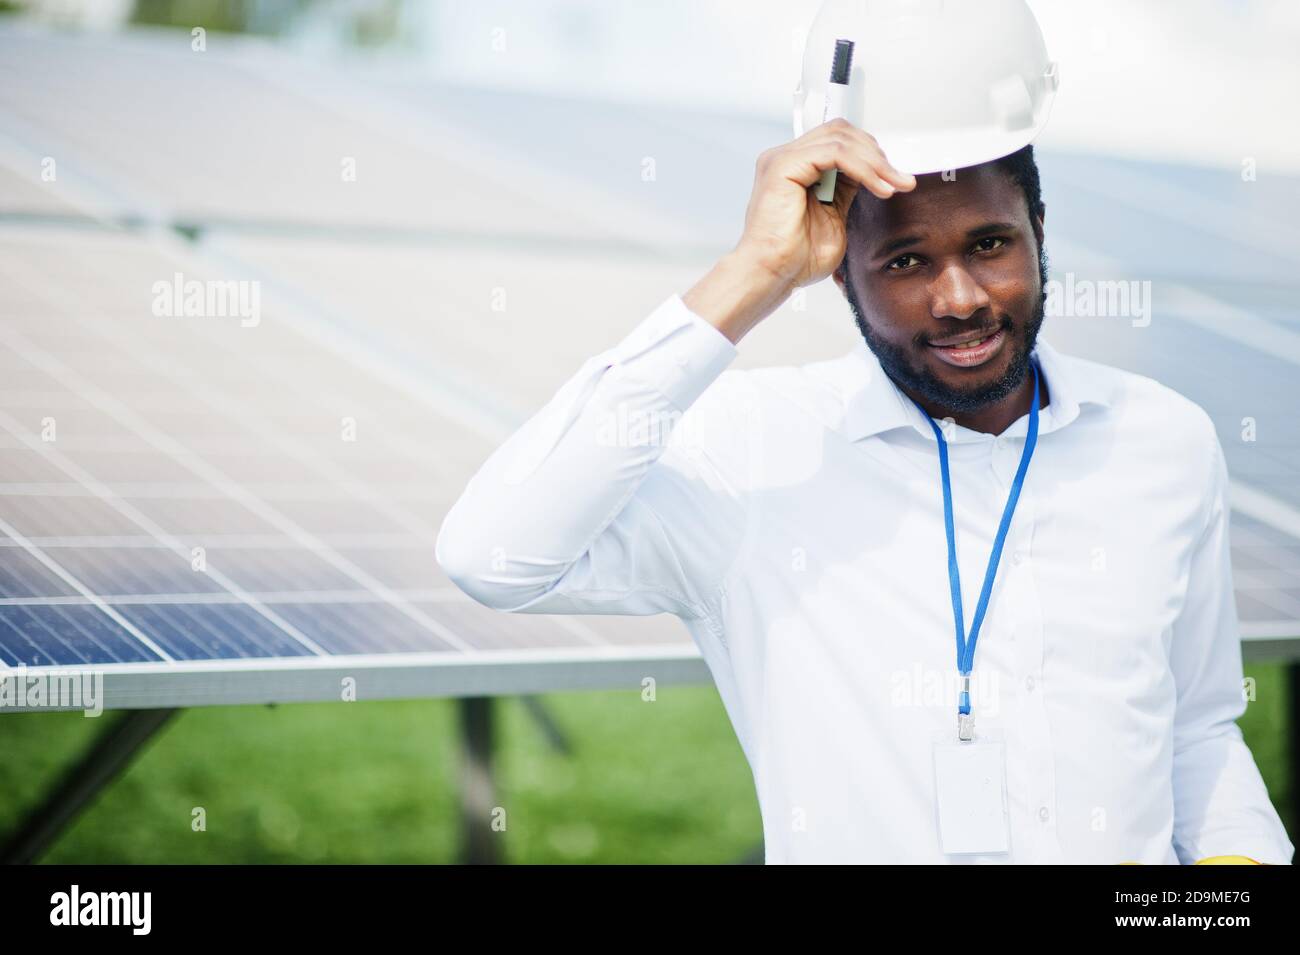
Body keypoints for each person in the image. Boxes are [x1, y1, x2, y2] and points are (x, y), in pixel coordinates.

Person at [435, 117, 1295, 865]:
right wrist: (752, 271)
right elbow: (493, 557)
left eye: (990, 245)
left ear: (1039, 229)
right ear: (840, 272)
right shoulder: (755, 451)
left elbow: (1197, 727)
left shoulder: (1164, 440)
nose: (959, 298)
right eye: (906, 260)